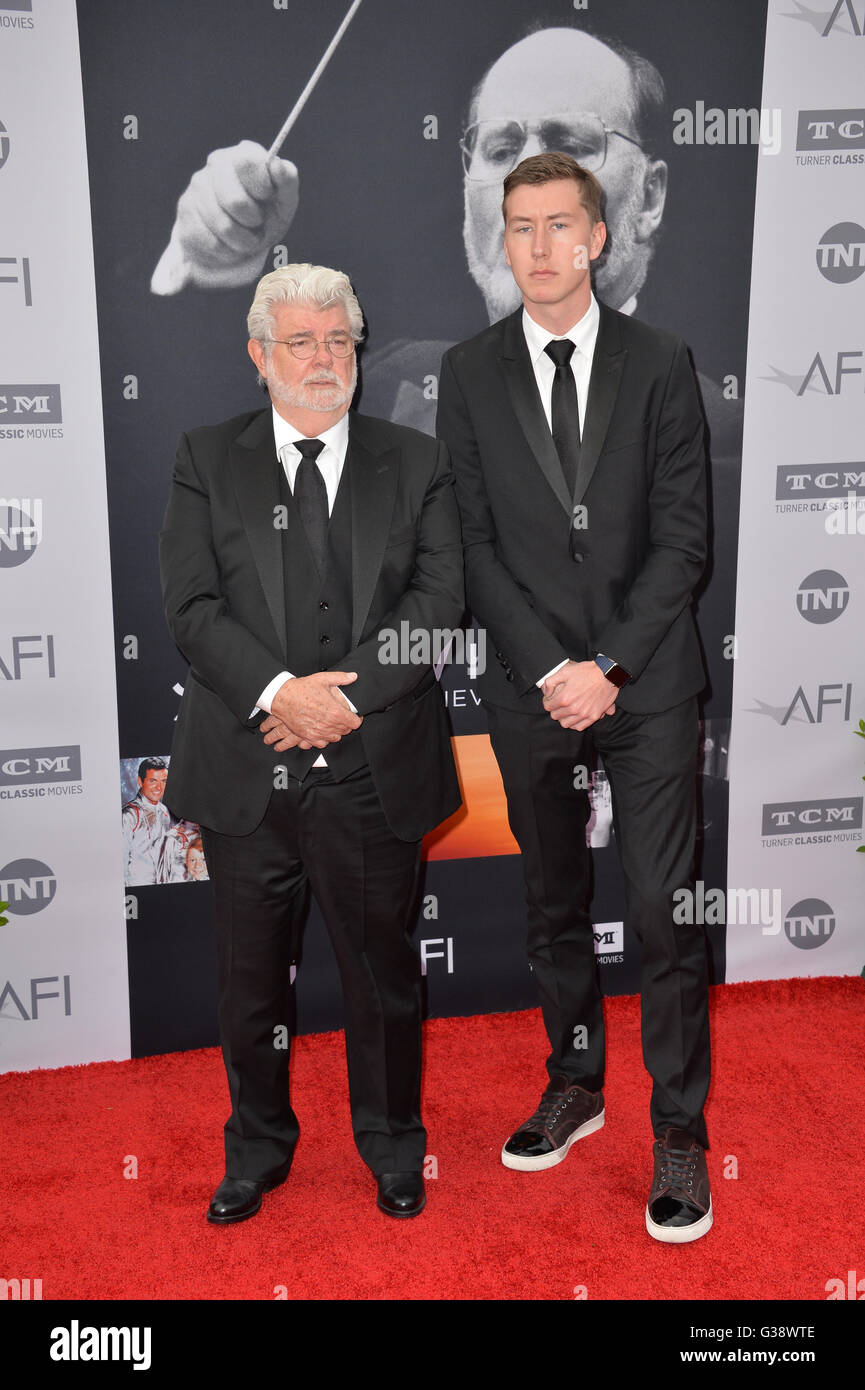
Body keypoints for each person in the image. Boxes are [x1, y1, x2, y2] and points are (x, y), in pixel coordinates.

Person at [436, 152, 713, 1243]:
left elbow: (684, 541)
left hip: (643, 684)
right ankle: (576, 1080)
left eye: (559, 224)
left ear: (598, 236)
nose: (539, 247)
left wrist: (611, 670)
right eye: (520, 226)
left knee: (658, 909)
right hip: (527, 684)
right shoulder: (467, 372)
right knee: (552, 901)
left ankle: (681, 1133)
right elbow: (470, 541)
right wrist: (555, 669)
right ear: (502, 240)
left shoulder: (660, 361)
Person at [159, 262, 463, 1223]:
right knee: (251, 987)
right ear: (260, 357)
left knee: (384, 981)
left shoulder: (414, 461)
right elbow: (193, 609)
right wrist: (280, 693)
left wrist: (346, 701)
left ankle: (392, 1145)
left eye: (339, 341)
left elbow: (439, 604)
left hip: (373, 772)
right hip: (249, 773)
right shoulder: (206, 458)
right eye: (301, 342)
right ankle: (255, 1148)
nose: (324, 359)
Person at [121, 757, 170, 885]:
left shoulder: (164, 811)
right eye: (153, 781)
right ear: (140, 781)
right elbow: (120, 862)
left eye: (163, 781)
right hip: (137, 889)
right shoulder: (129, 815)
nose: (159, 787)